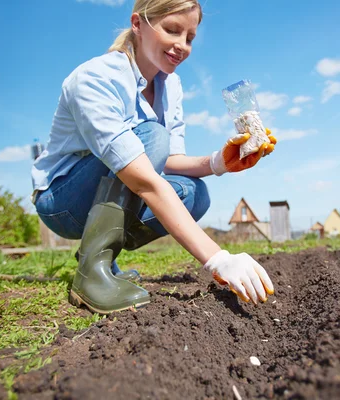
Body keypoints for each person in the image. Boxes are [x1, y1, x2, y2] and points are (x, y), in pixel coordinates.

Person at [31, 0, 277, 314]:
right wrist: (219, 259)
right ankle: (91, 273)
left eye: (189, 38)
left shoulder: (170, 84)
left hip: (113, 181)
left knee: (194, 193)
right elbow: (144, 178)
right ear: (138, 24)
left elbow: (168, 158)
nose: (182, 46)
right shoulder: (96, 79)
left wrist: (220, 162)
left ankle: (100, 257)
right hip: (62, 200)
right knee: (152, 134)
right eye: (172, 30)